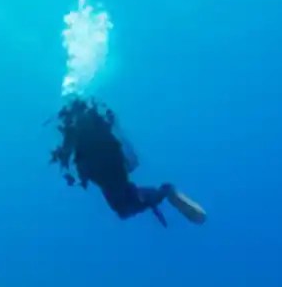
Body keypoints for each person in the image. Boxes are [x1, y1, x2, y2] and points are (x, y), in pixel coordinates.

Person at [49, 96, 206, 226]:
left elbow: (66, 158)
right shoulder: (92, 119)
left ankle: (164, 192)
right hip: (111, 164)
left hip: (103, 168)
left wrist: (71, 174)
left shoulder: (72, 129)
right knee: (124, 199)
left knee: (123, 206)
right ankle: (162, 193)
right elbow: (114, 128)